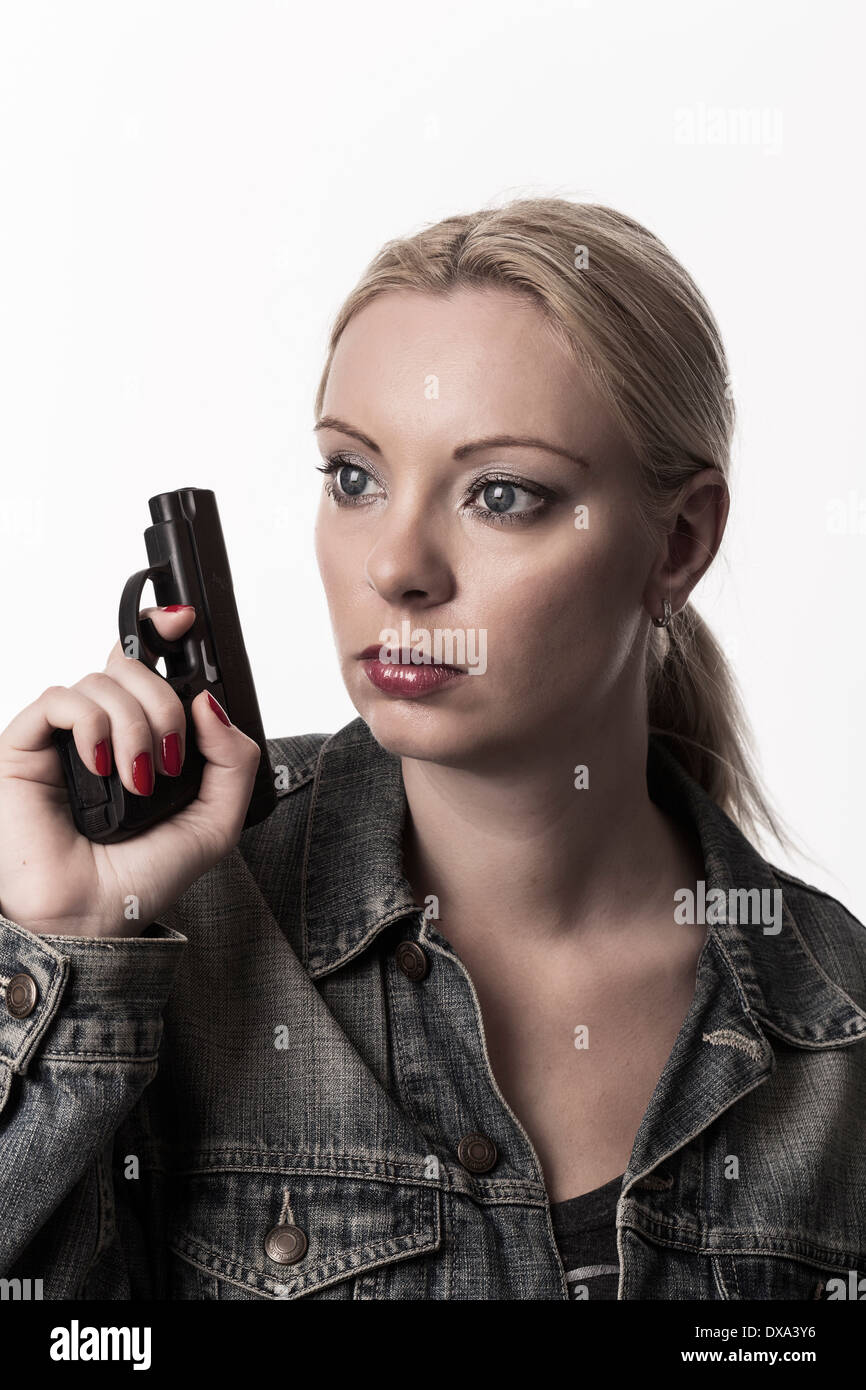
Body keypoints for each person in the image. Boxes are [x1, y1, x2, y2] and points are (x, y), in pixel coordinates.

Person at [1, 197, 864, 1302]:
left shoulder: (833, 1036)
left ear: (679, 540)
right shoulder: (172, 937)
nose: (396, 566)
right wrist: (64, 956)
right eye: (352, 477)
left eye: (500, 494)